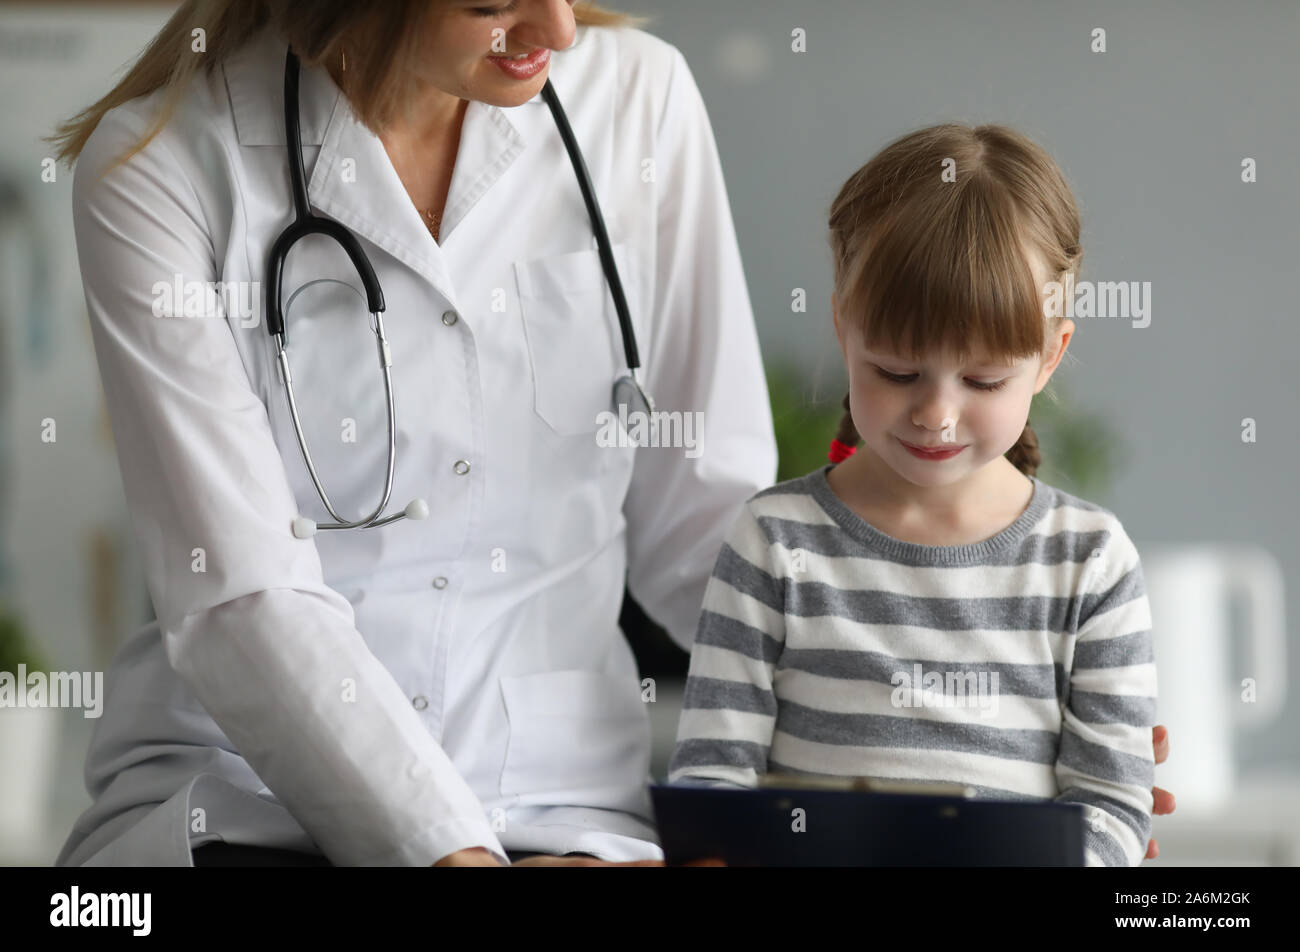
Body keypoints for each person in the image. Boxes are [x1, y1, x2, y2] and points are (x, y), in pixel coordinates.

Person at [47, 0, 776, 866]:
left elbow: (707, 538)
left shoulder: (639, 102)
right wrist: (451, 855)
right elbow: (242, 595)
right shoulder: (160, 165)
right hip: (245, 800)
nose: (561, 29)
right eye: (493, 5)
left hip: (560, 804)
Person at [668, 123, 1176, 865]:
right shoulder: (775, 540)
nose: (936, 414)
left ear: (1049, 356)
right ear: (845, 331)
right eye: (898, 373)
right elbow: (714, 781)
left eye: (982, 381)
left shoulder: (1089, 560)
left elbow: (1110, 809)